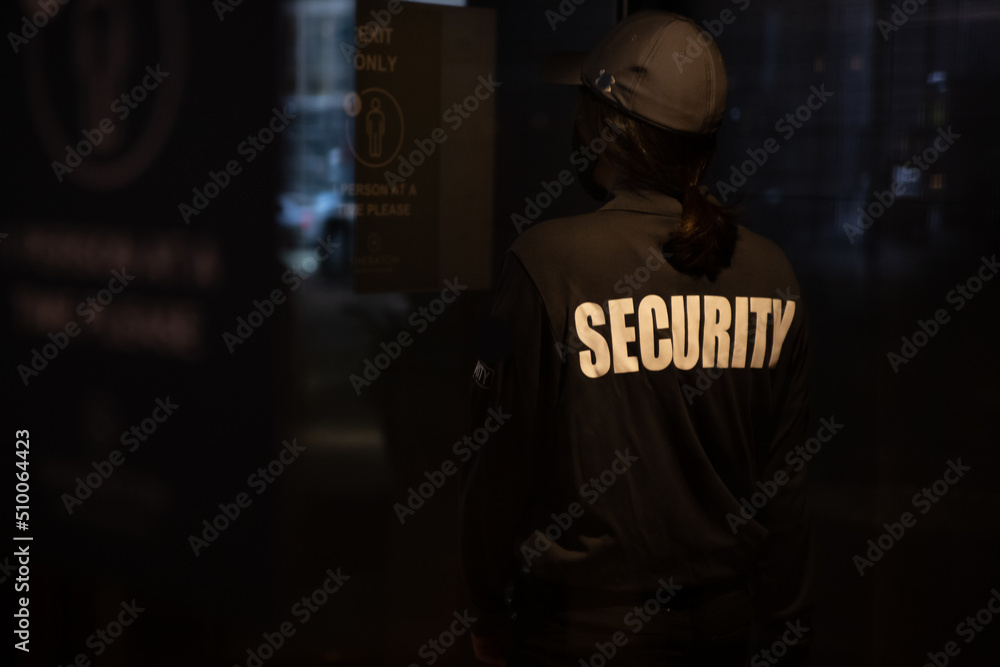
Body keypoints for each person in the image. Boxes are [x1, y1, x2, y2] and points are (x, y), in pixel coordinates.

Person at [459, 11, 815, 666]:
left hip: (578, 628)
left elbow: (497, 462)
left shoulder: (547, 261)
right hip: (728, 628)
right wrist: (782, 622)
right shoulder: (772, 272)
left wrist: (485, 604)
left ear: (605, 130)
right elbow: (787, 486)